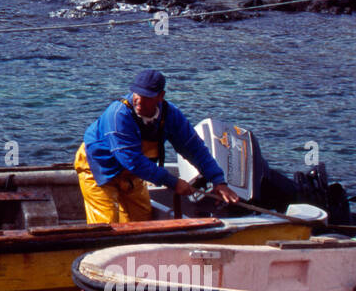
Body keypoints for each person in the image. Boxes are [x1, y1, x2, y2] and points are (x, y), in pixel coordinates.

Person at [74, 69, 240, 223]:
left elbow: (195, 148)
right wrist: (173, 182)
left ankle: (134, 250)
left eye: (146, 96)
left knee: (143, 221)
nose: (138, 100)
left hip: (131, 174)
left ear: (160, 96)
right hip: (98, 168)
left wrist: (218, 180)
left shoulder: (171, 115)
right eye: (136, 94)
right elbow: (132, 160)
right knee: (107, 224)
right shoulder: (118, 115)